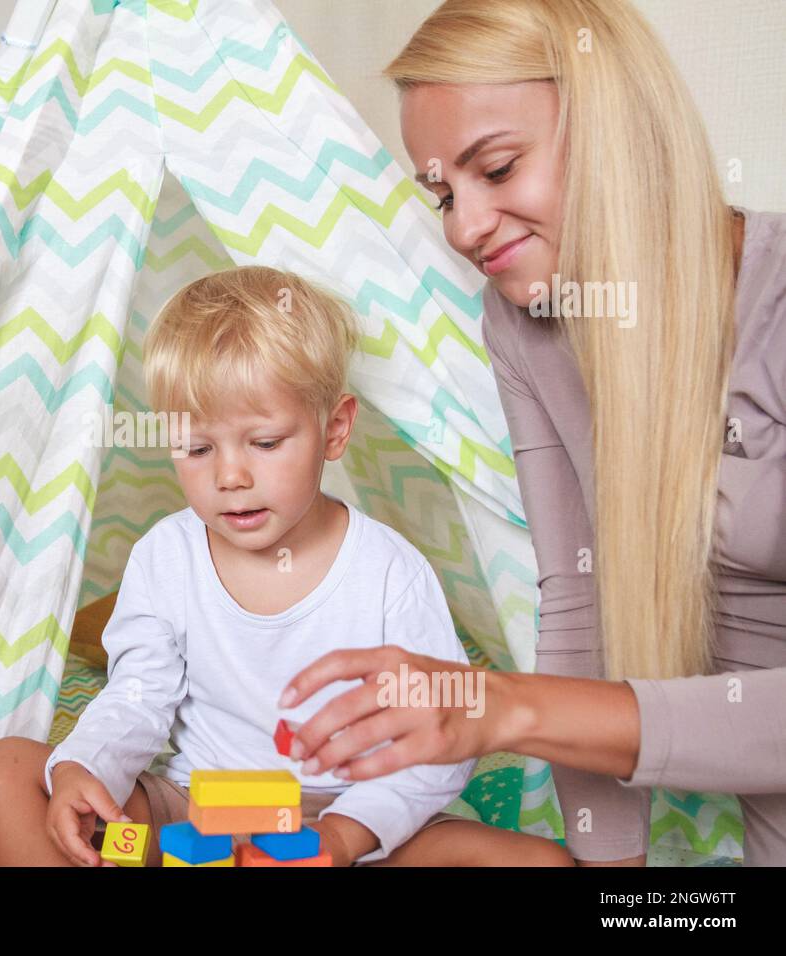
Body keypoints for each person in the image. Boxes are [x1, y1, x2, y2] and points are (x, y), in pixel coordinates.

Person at [285, 0, 786, 866]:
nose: (464, 228)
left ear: (617, 130)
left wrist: (507, 706)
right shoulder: (524, 325)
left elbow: (543, 699)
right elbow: (580, 611)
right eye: (443, 192)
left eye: (499, 169)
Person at [0, 266, 572, 867]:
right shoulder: (165, 555)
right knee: (5, 772)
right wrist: (83, 769)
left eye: (264, 443)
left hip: (351, 822)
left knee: (536, 863)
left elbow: (439, 742)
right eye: (198, 449)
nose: (231, 477)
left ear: (334, 429)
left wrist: (340, 836)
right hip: (195, 812)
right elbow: (136, 697)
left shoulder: (391, 572)